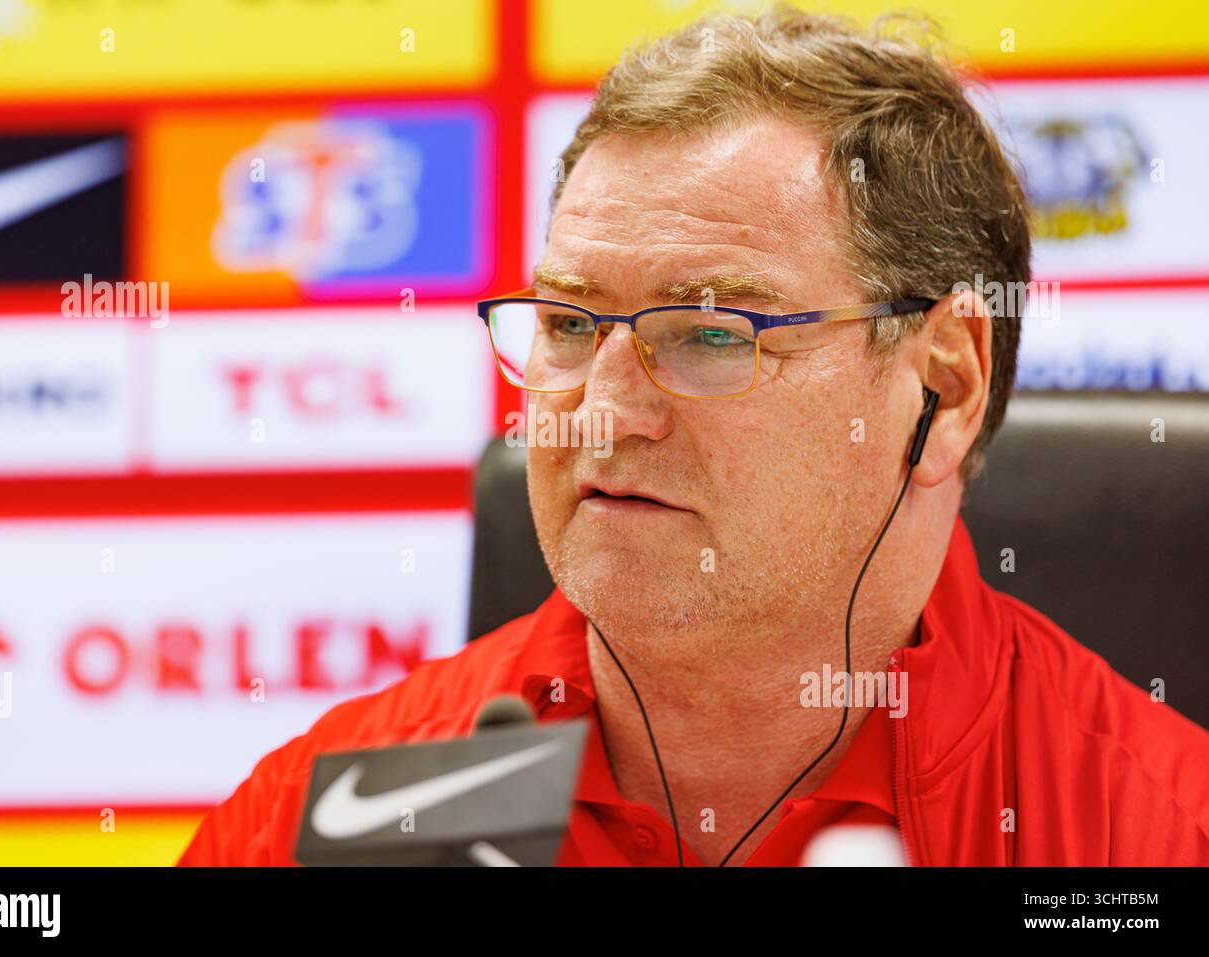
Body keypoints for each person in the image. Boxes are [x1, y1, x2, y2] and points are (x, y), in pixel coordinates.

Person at [179, 4, 1209, 866]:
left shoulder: (1152, 835)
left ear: (943, 382)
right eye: (571, 324)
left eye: (713, 333)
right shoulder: (322, 825)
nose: (604, 412)